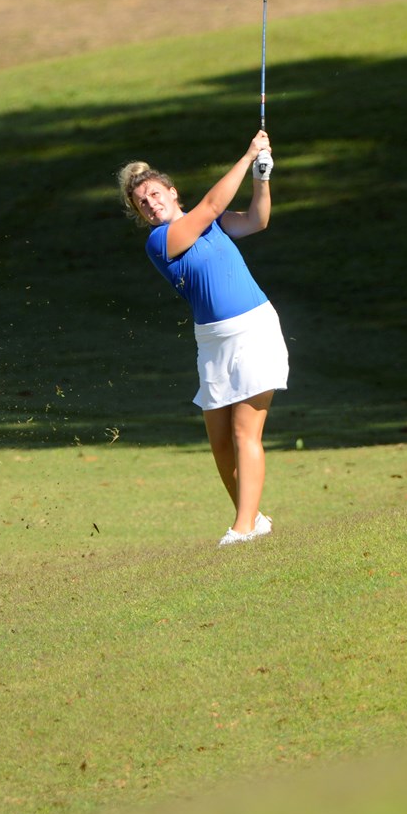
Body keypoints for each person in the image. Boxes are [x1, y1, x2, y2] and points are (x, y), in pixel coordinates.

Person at [119, 130, 289, 547]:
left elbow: (256, 220)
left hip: (253, 329)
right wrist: (249, 153)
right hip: (212, 341)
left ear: (172, 192)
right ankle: (253, 519)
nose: (151, 204)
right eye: (143, 203)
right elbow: (211, 205)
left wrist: (261, 178)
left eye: (156, 195)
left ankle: (244, 528)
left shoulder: (212, 225)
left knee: (245, 433)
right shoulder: (161, 242)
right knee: (219, 442)